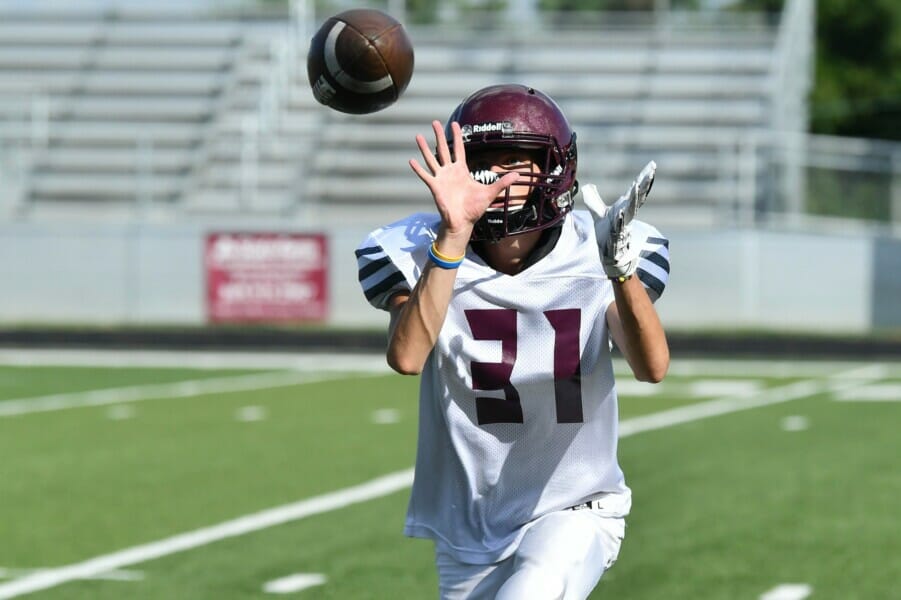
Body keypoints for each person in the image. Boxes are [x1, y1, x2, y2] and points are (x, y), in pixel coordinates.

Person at [355, 84, 670, 599]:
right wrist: (453, 238)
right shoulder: (419, 249)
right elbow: (408, 356)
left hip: (576, 504)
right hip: (470, 528)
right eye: (485, 163)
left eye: (517, 162)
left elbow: (652, 365)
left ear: (555, 170)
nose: (499, 179)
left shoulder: (593, 249)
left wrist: (621, 273)